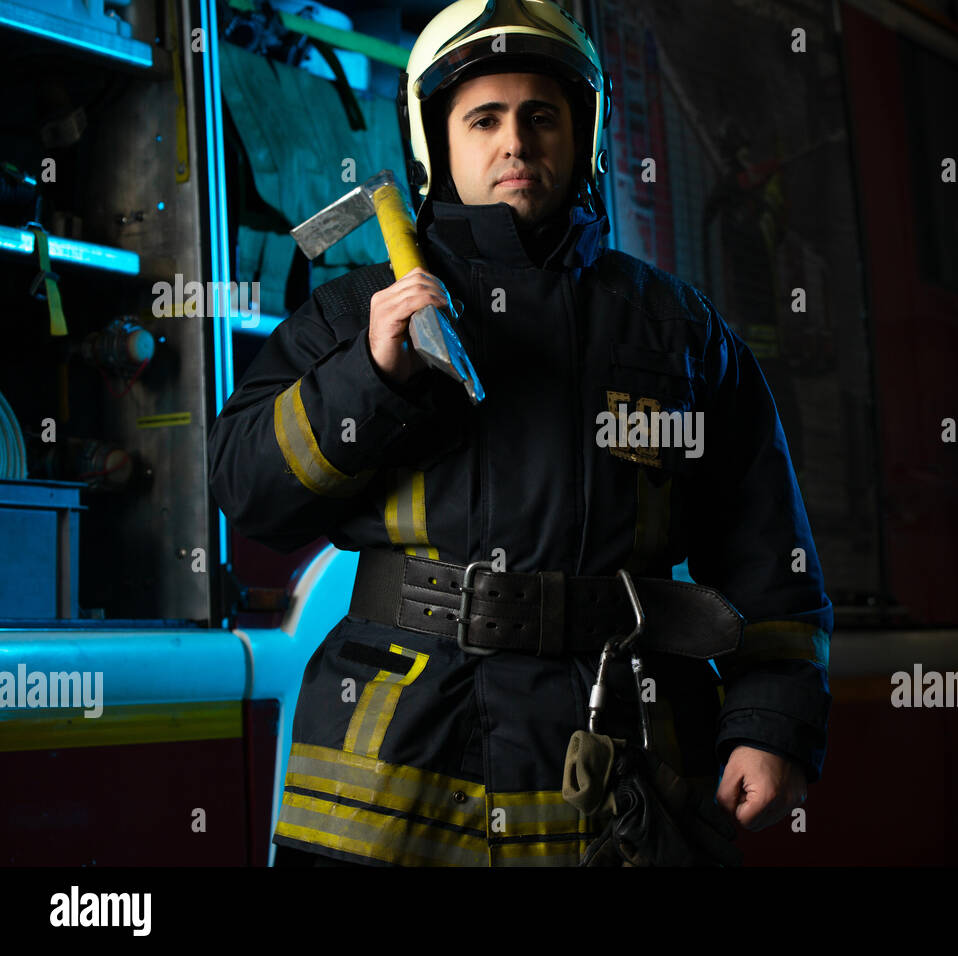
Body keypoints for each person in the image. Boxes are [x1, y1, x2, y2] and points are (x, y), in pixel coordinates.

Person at [208, 0, 832, 867]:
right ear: (437, 144)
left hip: (625, 764)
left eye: (542, 116)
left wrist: (773, 722)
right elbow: (244, 494)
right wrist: (371, 376)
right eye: (485, 119)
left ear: (585, 135)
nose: (515, 142)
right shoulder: (353, 317)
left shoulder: (679, 333)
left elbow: (773, 558)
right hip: (390, 784)